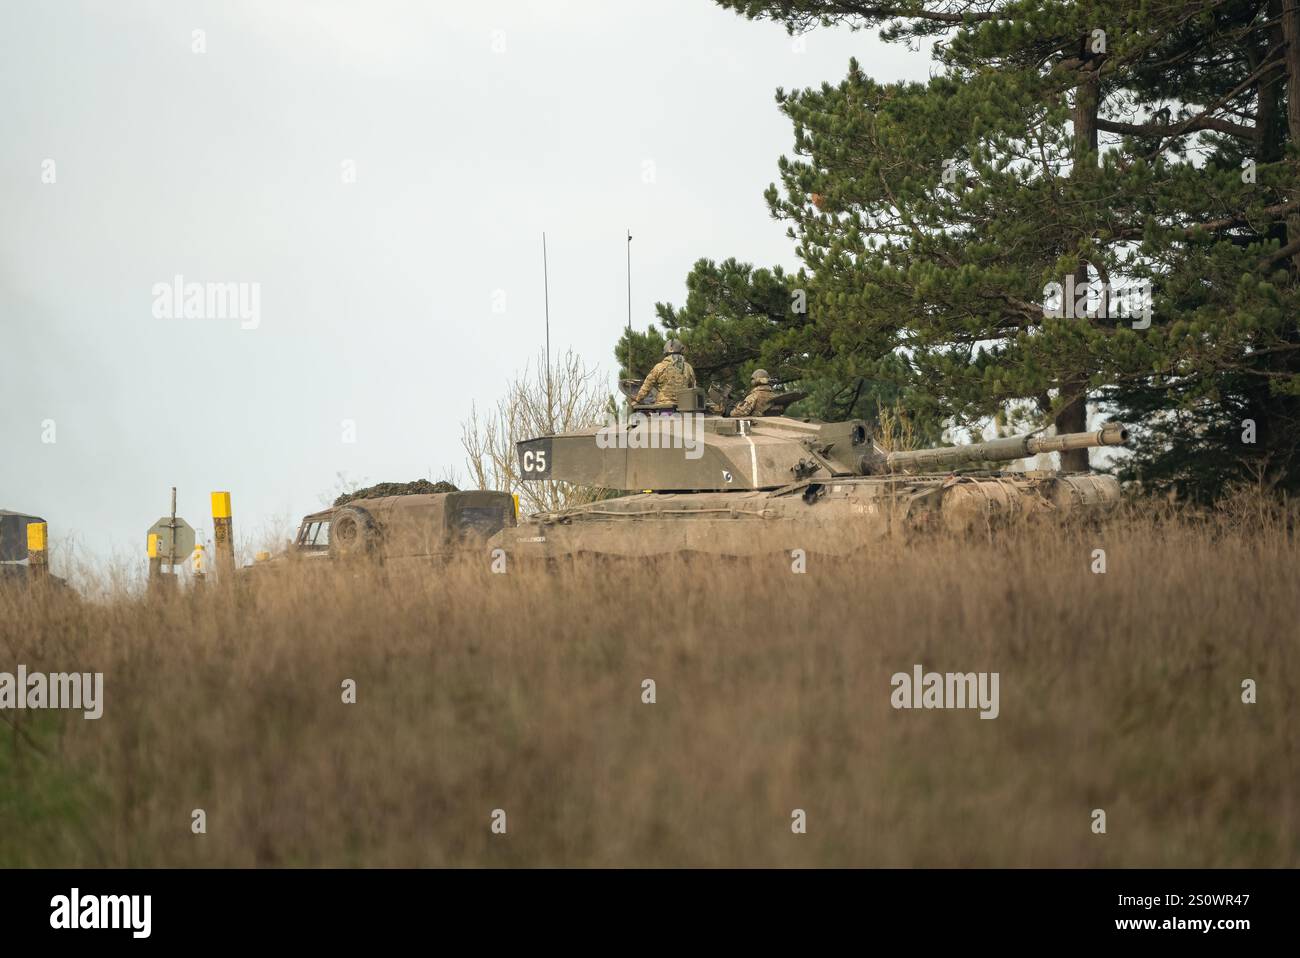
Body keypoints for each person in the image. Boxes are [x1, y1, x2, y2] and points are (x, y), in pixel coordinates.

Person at [633, 339, 696, 409]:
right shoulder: (688, 368)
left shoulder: (660, 367)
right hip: (683, 408)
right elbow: (692, 388)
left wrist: (637, 400)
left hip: (664, 408)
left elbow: (647, 386)